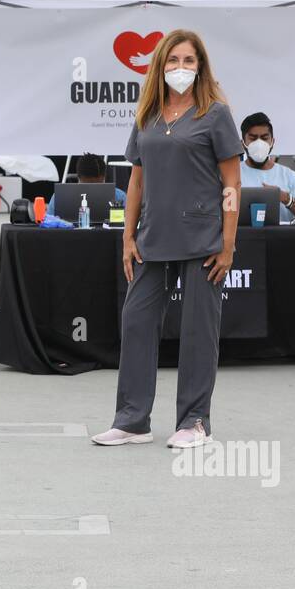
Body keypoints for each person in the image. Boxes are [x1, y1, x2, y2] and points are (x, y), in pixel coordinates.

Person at [92, 29, 242, 449]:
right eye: (173, 60)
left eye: (189, 61)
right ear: (160, 66)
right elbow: (136, 180)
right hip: (152, 238)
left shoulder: (215, 114)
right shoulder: (148, 115)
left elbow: (232, 181)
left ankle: (194, 422)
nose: (180, 68)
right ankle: (132, 420)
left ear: (201, 66)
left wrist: (228, 243)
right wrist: (127, 235)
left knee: (198, 332)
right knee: (136, 323)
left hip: (203, 239)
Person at [238, 112, 295, 223]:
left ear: (272, 142)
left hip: (281, 239)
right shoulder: (231, 176)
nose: (259, 143)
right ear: (243, 143)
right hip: (242, 239)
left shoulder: (290, 176)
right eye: (253, 138)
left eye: (264, 138)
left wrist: (285, 198)